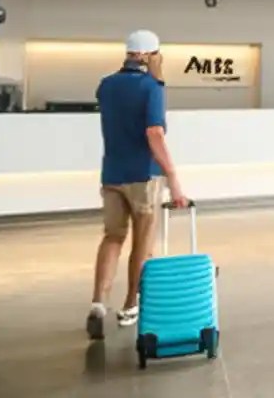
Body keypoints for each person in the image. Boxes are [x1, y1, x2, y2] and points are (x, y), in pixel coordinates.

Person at [86, 29, 189, 340]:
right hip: (143, 175)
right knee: (142, 245)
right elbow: (154, 133)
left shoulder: (105, 85)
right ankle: (131, 304)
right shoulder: (151, 88)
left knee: (112, 237)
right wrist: (173, 177)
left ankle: (98, 303)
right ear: (147, 55)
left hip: (112, 174)